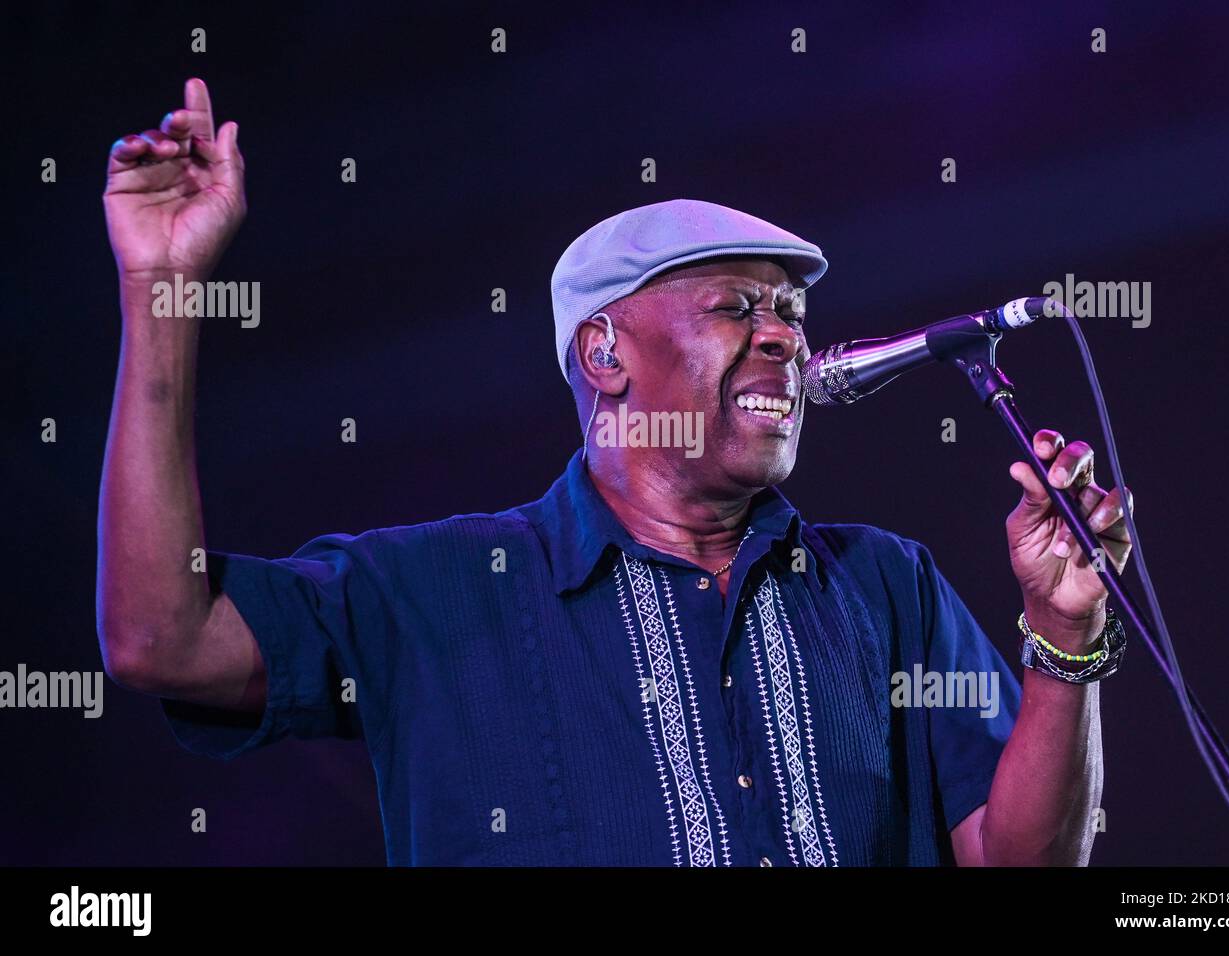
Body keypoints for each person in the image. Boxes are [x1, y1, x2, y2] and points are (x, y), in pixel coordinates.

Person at [98, 79, 1135, 866]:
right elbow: (160, 636)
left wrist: (1064, 631)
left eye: (792, 315)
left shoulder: (883, 584)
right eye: (737, 306)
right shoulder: (441, 588)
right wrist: (160, 288)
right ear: (605, 354)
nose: (780, 337)